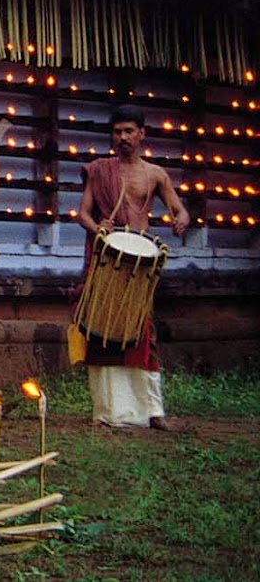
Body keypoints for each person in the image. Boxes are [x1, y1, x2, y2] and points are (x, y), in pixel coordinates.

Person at [75, 104, 189, 430]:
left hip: (139, 264)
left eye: (128, 131)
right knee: (101, 334)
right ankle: (107, 412)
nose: (122, 137)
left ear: (142, 134)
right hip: (107, 259)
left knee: (143, 334)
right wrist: (98, 228)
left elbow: (180, 210)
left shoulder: (156, 174)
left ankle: (153, 411)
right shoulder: (99, 170)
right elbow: (82, 214)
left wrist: (181, 220)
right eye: (117, 132)